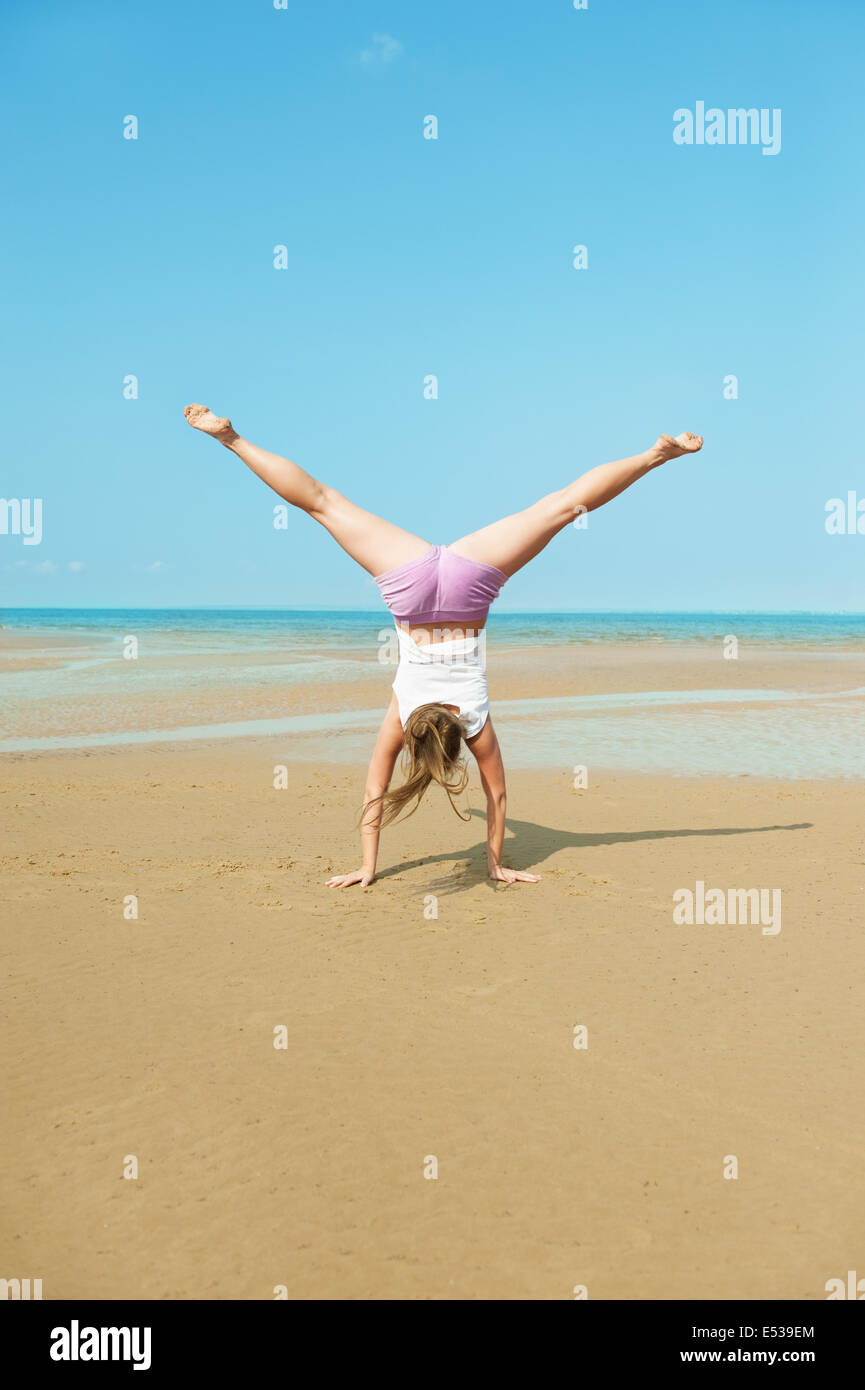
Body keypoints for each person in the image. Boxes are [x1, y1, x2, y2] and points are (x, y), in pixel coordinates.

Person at [185, 404, 703, 887]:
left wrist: (495, 863)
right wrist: (367, 863)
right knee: (322, 502)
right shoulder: (404, 713)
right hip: (408, 585)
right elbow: (374, 793)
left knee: (562, 508)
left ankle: (656, 454)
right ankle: (232, 439)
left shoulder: (473, 721)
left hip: (469, 583)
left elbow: (497, 796)